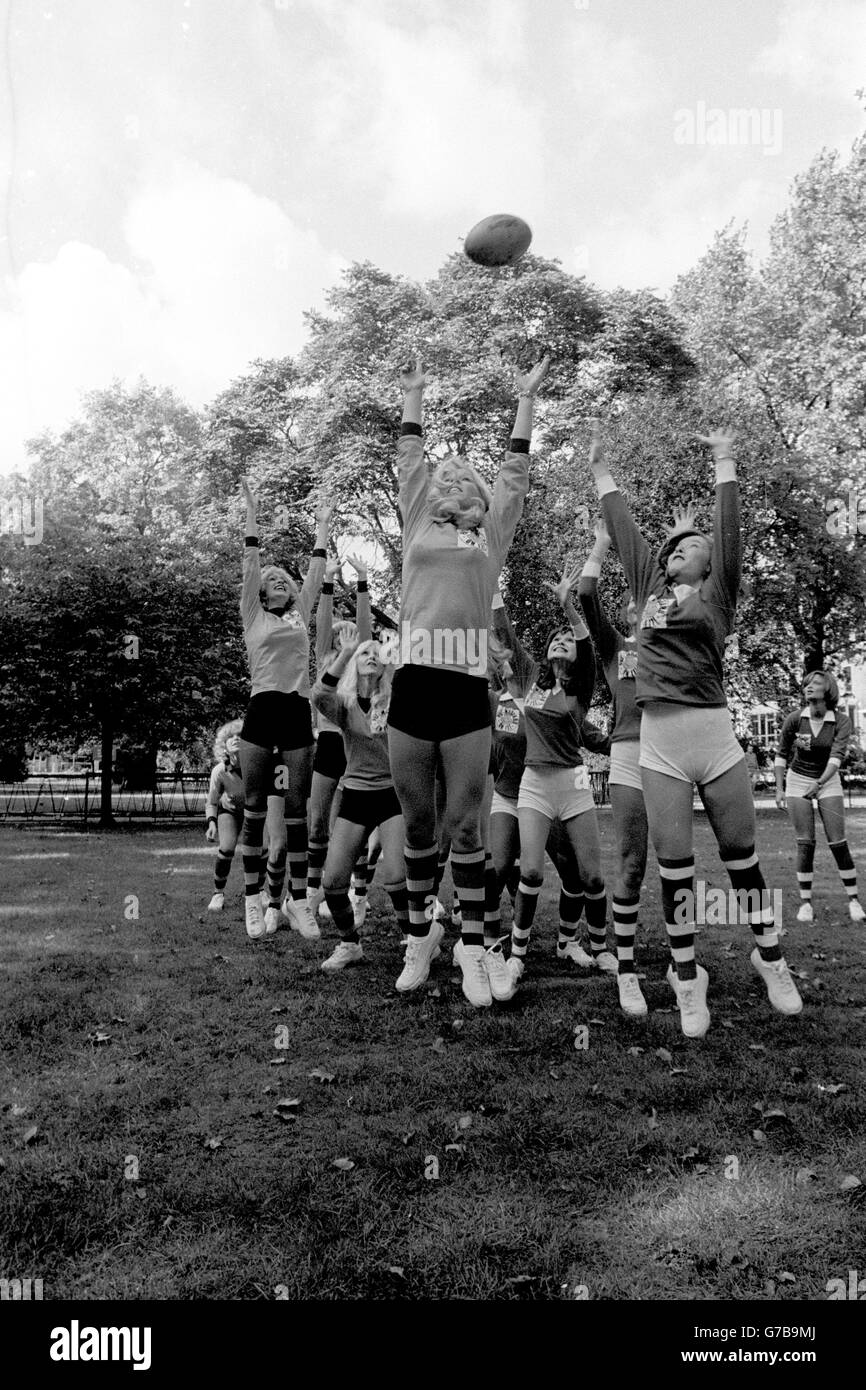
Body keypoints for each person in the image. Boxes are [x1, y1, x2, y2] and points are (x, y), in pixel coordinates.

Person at [585, 422, 802, 1037]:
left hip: (713, 737)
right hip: (658, 745)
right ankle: (687, 978)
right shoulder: (650, 590)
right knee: (673, 865)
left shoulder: (720, 597)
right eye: (675, 544)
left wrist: (727, 462)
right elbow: (628, 538)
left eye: (693, 544)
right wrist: (602, 473)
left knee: (743, 862)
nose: (681, 546)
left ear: (711, 565)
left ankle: (771, 956)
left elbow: (730, 536)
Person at [387, 353, 549, 1006]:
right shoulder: (418, 522)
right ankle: (422, 938)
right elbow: (410, 459)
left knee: (468, 829)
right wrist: (414, 395)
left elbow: (514, 473)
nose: (452, 480)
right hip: (413, 687)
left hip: (464, 693)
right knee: (420, 827)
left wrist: (526, 401)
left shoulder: (491, 537)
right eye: (443, 475)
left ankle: (475, 948)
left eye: (465, 479)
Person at [489, 586, 612, 976]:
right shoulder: (529, 684)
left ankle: (596, 946)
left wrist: (566, 606)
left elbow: (588, 645)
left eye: (566, 640)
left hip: (574, 785)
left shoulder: (581, 691)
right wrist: (492, 586)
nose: (561, 642)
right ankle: (518, 956)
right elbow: (505, 634)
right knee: (530, 872)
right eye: (554, 640)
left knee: (590, 874)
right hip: (534, 786)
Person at [237, 478, 330, 941]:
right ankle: (253, 901)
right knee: (255, 812)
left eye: (283, 579)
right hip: (261, 712)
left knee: (297, 813)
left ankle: (296, 902)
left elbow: (313, 575)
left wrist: (323, 528)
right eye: (269, 580)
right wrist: (252, 516)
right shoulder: (254, 617)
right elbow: (251, 564)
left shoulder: (299, 615)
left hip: (296, 712)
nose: (276, 581)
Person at [579, 522, 649, 1017]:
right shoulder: (618, 650)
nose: (640, 610)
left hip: (680, 748)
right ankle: (626, 969)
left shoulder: (680, 641)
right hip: (630, 750)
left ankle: (684, 965)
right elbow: (586, 595)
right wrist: (602, 547)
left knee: (677, 861)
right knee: (631, 860)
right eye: (633, 606)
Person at [311, 625, 410, 973]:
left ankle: (416, 940)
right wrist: (344, 654)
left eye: (375, 653)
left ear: (385, 666)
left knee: (397, 877)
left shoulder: (396, 700)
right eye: (363, 654)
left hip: (392, 795)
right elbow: (318, 696)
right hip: (355, 794)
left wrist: (397, 656)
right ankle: (349, 944)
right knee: (333, 882)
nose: (370, 656)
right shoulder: (345, 704)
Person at [307, 555, 372, 925]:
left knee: (356, 823)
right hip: (329, 745)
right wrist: (328, 583)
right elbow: (321, 625)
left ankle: (357, 892)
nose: (346, 636)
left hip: (356, 748)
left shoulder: (362, 664)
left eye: (352, 635)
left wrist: (362, 582)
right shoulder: (325, 661)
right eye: (339, 634)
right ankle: (310, 894)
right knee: (318, 824)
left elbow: (363, 631)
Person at [775, 671, 865, 923]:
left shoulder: (841, 720)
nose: (808, 687)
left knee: (838, 841)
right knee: (805, 842)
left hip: (827, 780)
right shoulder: (794, 719)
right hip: (798, 780)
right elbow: (782, 755)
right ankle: (805, 904)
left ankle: (854, 900)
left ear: (828, 689)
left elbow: (836, 757)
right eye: (806, 684)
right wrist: (780, 788)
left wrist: (820, 782)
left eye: (815, 684)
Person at [205, 720, 245, 911]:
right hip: (229, 811)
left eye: (240, 736)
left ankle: (261, 891)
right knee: (226, 849)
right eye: (231, 737)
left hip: (254, 813)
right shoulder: (219, 771)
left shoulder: (257, 767)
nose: (236, 739)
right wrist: (211, 823)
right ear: (224, 745)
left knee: (261, 848)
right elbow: (212, 801)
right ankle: (218, 893)